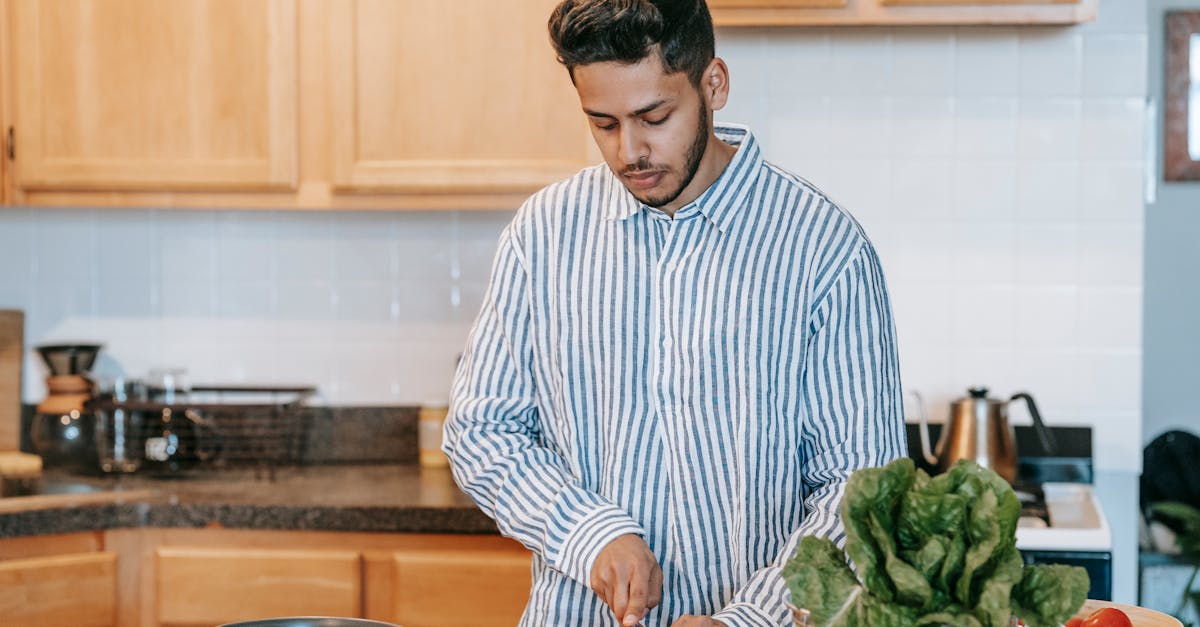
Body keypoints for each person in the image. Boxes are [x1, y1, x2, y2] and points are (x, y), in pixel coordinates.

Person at [443, 1, 906, 625]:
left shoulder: (825, 250)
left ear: (712, 83)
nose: (630, 151)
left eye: (653, 117)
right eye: (602, 124)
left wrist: (748, 620)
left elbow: (862, 489)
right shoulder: (544, 234)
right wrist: (590, 535)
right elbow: (481, 430)